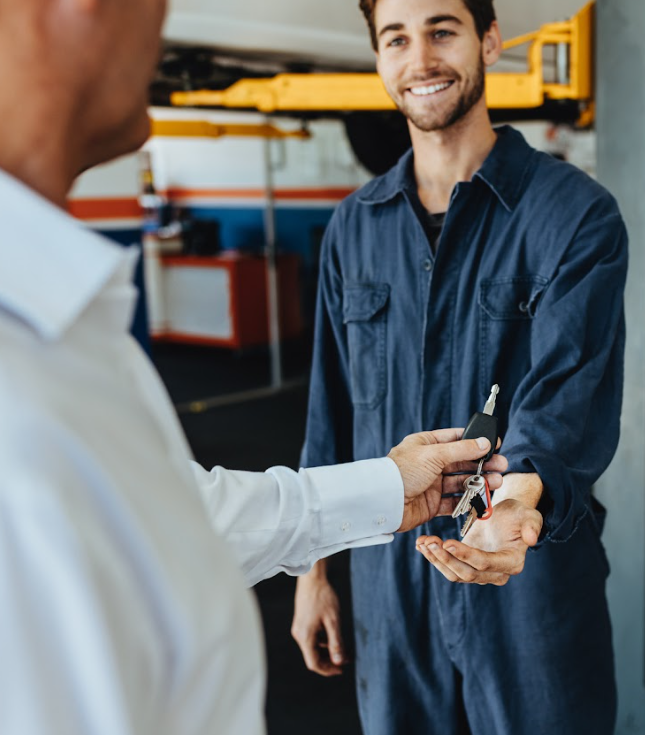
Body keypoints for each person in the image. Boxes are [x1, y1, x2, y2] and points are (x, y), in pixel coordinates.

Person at [0, 1, 508, 733]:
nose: (160, 23)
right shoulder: (27, 371)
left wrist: (384, 485)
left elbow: (184, 519)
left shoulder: (68, 329)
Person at [293, 0, 628, 733]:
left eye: (442, 30)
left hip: (522, 570)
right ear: (378, 57)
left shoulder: (574, 215)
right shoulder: (354, 225)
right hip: (389, 578)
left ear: (489, 40)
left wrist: (516, 503)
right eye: (396, 38)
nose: (420, 59)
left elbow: (566, 396)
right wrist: (311, 571)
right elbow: (331, 409)